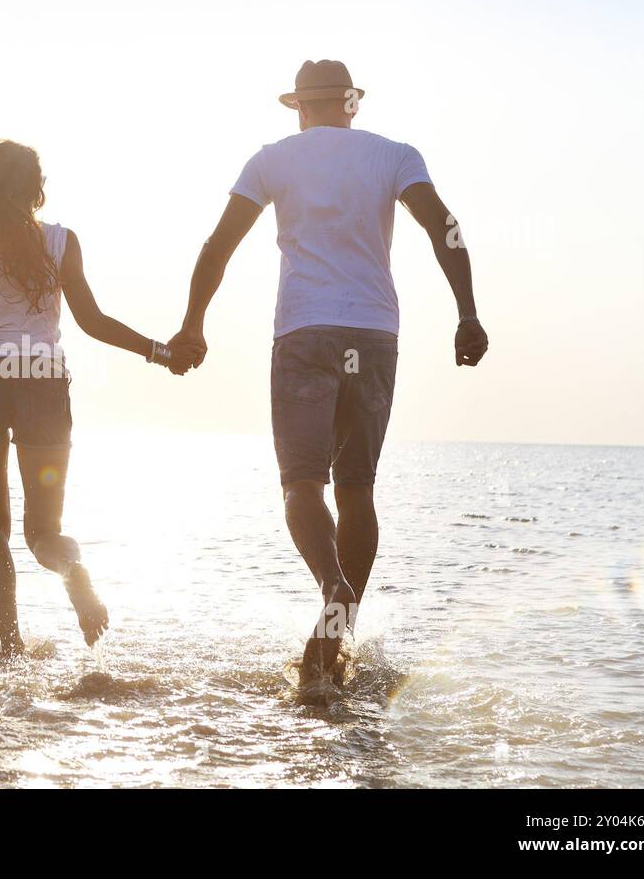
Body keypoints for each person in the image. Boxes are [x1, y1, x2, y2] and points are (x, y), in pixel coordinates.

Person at [168, 60, 490, 686]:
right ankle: (335, 638)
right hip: (372, 336)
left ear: (299, 108)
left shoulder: (272, 159)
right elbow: (443, 228)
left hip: (304, 335)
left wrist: (192, 325)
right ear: (352, 104)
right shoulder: (394, 155)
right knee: (358, 490)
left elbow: (218, 245)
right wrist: (468, 313)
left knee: (300, 487)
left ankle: (332, 588)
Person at [0, 140, 183, 658]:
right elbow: (93, 322)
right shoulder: (61, 242)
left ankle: (11, 646)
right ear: (34, 188)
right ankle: (72, 570)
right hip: (43, 380)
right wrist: (159, 351)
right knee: (43, 533)